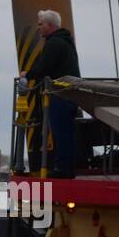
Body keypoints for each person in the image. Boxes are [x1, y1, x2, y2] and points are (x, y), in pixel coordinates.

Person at [21, 9, 81, 178]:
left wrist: (28, 74)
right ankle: (67, 168)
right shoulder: (66, 42)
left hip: (60, 94)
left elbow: (45, 67)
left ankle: (62, 169)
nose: (39, 28)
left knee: (60, 132)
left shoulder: (54, 43)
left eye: (41, 24)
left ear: (50, 25)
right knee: (66, 133)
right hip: (70, 94)